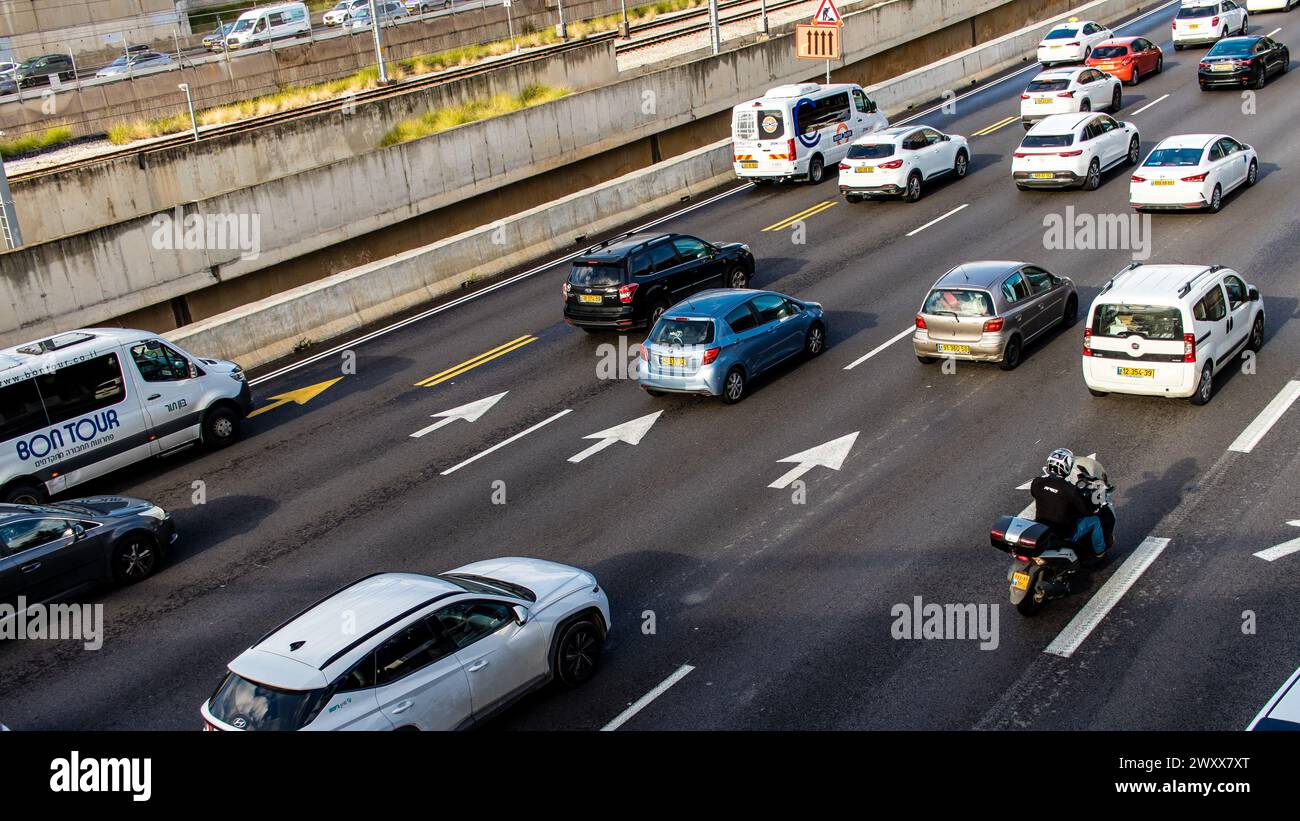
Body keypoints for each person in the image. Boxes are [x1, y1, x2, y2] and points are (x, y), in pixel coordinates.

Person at [1030, 448, 1105, 556]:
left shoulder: (1037, 482)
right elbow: (1085, 511)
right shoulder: (1069, 489)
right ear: (1066, 467)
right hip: (1063, 533)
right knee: (1095, 521)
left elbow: (1036, 493)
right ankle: (1100, 553)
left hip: (1043, 528)